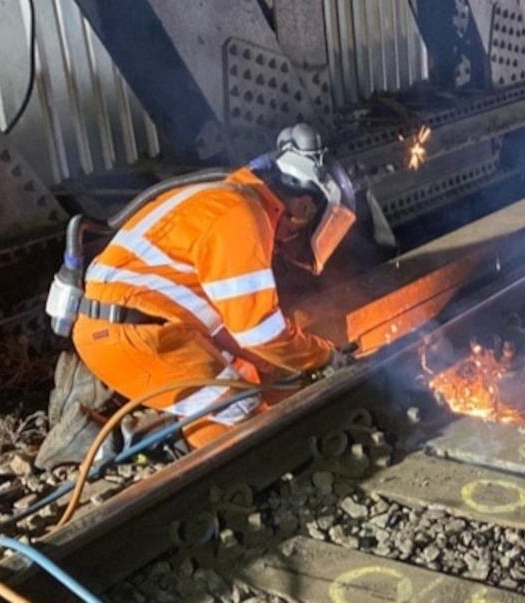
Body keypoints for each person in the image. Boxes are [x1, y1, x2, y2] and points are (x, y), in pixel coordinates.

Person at [37, 124, 357, 468]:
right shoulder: (242, 217)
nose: (293, 238)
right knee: (244, 421)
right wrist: (322, 357)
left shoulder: (222, 199)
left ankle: (116, 413)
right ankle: (109, 441)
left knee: (249, 378)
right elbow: (260, 331)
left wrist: (274, 369)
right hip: (135, 336)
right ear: (305, 206)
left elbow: (224, 327)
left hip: (123, 329)